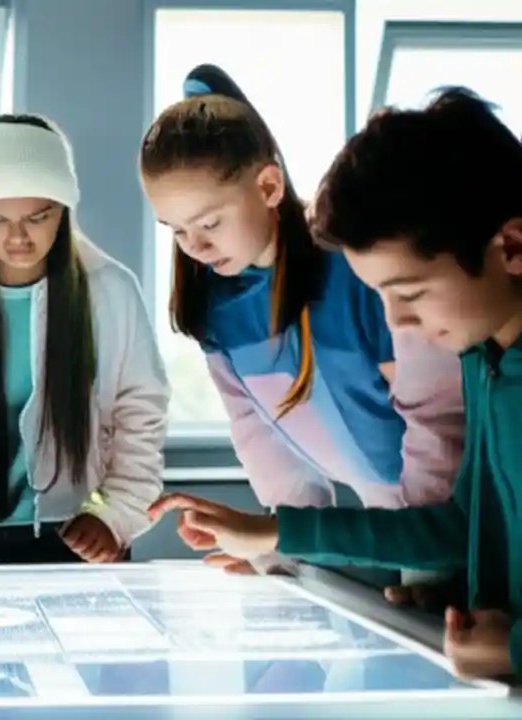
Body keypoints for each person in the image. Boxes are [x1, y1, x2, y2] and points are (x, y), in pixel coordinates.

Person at [150, 87, 522, 681]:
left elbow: (440, 475)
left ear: (510, 246)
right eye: (383, 298)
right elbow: (456, 528)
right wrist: (282, 534)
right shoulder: (483, 361)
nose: (398, 325)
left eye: (410, 294)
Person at [138, 65, 464, 579]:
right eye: (176, 231)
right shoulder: (219, 311)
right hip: (380, 529)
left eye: (210, 222)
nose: (195, 247)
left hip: (441, 516)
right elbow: (259, 436)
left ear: (268, 185)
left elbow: (436, 418)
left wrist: (422, 556)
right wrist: (280, 545)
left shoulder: (354, 268)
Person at [0, 114, 169, 564]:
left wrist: (113, 514)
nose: (17, 236)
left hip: (80, 532)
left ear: (64, 210)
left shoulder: (110, 288)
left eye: (39, 216)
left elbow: (141, 414)